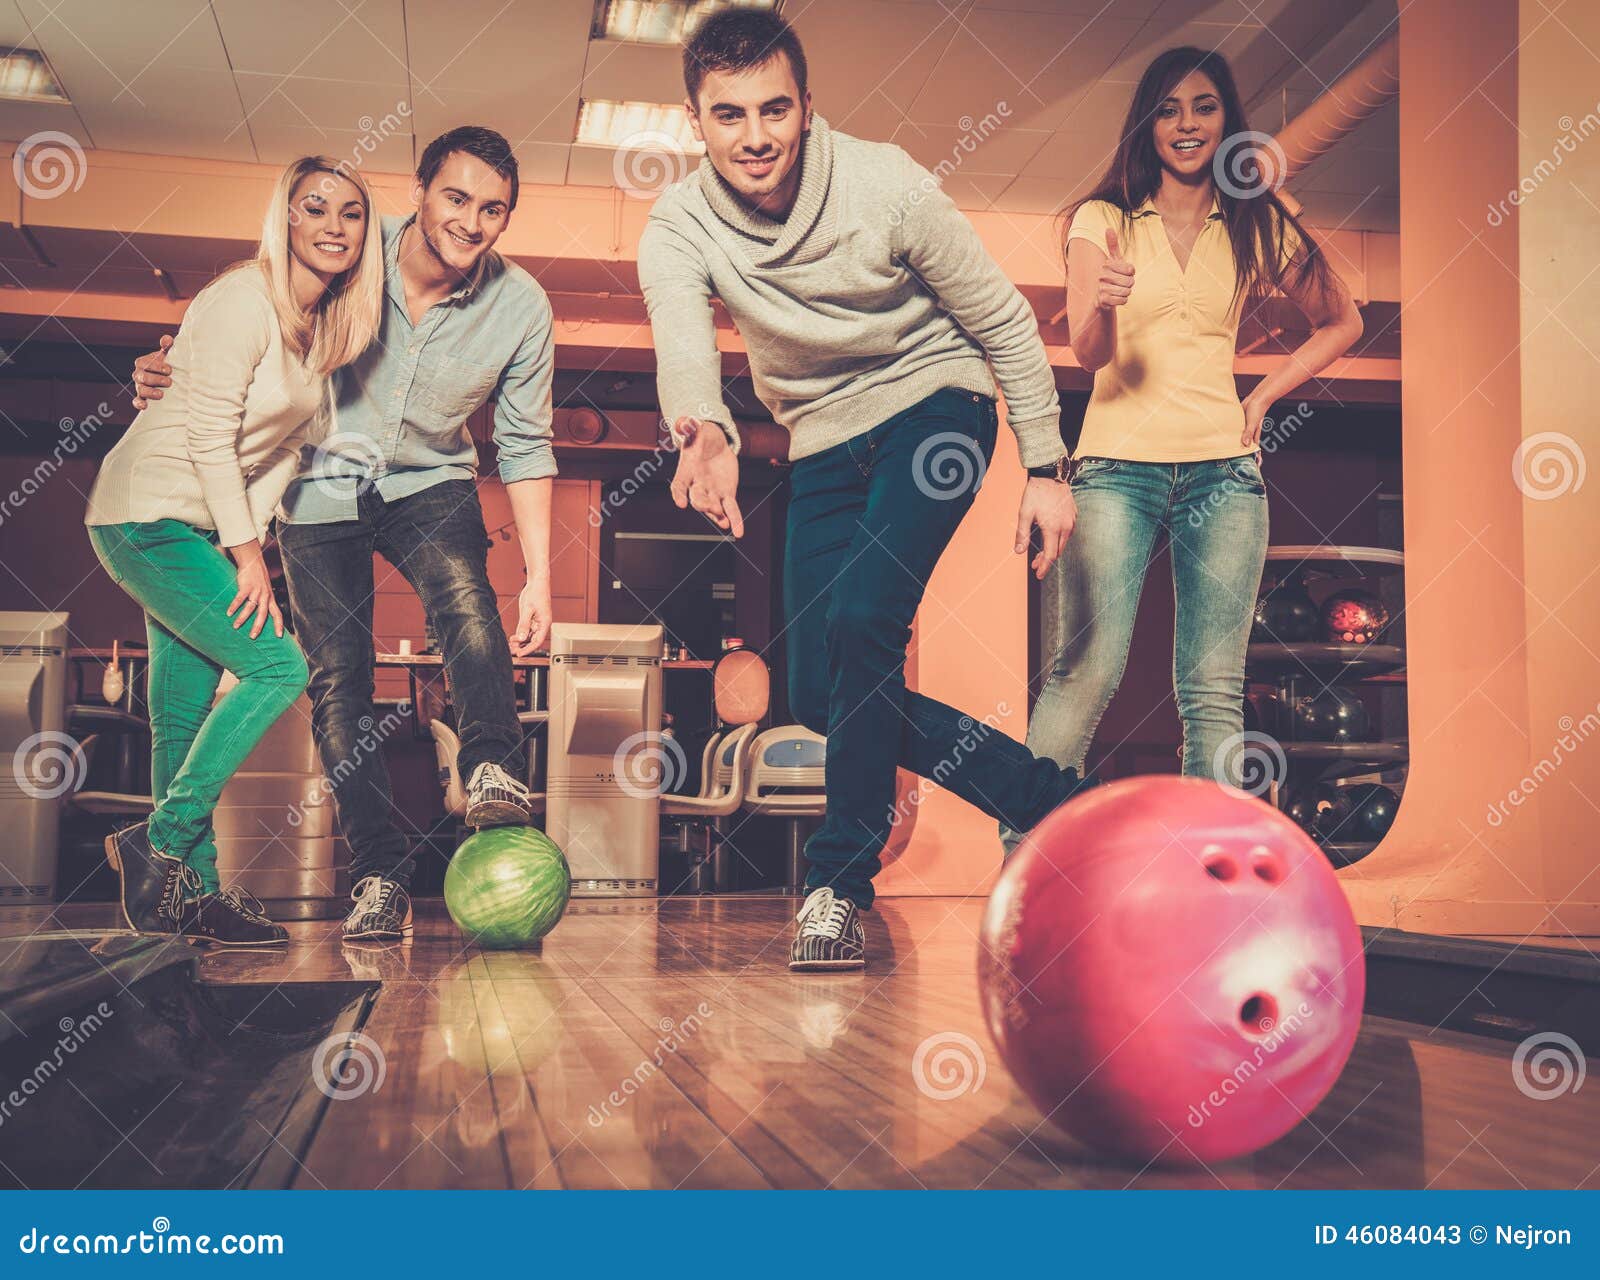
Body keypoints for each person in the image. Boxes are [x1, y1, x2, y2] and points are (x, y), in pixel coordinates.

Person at [639, 10, 1090, 971]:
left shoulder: (885, 183)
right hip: (820, 441)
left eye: (773, 109)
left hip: (937, 407)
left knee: (864, 627)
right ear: (695, 121)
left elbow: (1006, 322)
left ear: (807, 107)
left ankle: (835, 886)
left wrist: (1048, 468)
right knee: (814, 686)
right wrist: (704, 427)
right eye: (729, 115)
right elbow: (684, 337)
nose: (754, 136)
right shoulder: (678, 223)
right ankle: (1047, 799)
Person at [129, 127, 559, 945]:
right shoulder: (356, 249)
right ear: (422, 192)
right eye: (456, 198)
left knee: (466, 599)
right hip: (319, 478)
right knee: (340, 683)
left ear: (507, 218)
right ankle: (378, 876)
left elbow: (528, 444)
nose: (471, 221)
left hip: (430, 478)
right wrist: (176, 362)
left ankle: (492, 766)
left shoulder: (522, 306)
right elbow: (256, 308)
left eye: (493, 208)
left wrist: (539, 573)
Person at [1006, 46, 1364, 848]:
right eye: (1167, 109)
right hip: (1111, 470)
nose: (1186, 124)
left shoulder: (1252, 222)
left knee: (1213, 688)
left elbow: (1345, 319)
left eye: (1203, 107)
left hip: (1223, 473)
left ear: (1225, 120)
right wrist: (1098, 305)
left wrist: (1265, 395)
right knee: (1085, 671)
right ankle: (1021, 858)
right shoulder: (1103, 221)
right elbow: (1092, 355)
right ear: (1147, 125)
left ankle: (1213, 870)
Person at [89, 155, 384, 946]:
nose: (332, 224)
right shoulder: (241, 298)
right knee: (279, 666)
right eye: (314, 206)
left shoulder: (320, 331)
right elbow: (208, 436)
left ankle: (191, 897)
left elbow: (283, 454)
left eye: (350, 213)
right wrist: (246, 556)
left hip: (189, 527)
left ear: (365, 236)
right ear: (285, 217)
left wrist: (244, 547)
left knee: (181, 714)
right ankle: (158, 845)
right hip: (144, 513)